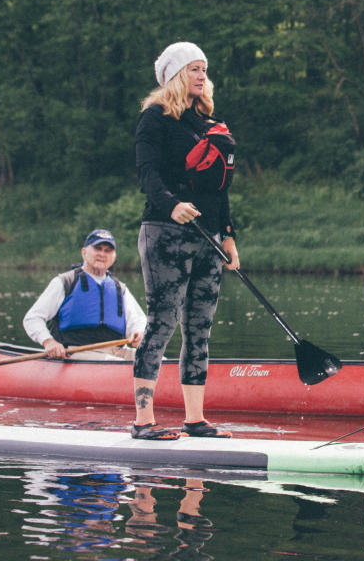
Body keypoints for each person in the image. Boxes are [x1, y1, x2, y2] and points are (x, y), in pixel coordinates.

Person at [131, 41, 240, 441]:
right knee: (161, 322)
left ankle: (195, 420)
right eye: (193, 68)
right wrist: (172, 204)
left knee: (199, 328)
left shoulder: (207, 122)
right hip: (165, 231)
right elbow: (147, 173)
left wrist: (228, 235)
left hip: (208, 236)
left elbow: (220, 187)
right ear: (176, 74)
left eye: (204, 69)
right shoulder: (154, 118)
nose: (201, 75)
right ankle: (143, 421)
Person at [23, 228, 145, 360]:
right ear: (84, 252)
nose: (102, 254)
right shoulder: (65, 282)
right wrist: (48, 342)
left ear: (114, 257)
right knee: (119, 364)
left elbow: (138, 322)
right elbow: (32, 318)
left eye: (107, 250)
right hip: (76, 351)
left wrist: (139, 333)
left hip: (117, 351)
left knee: (157, 361)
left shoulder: (121, 289)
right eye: (97, 248)